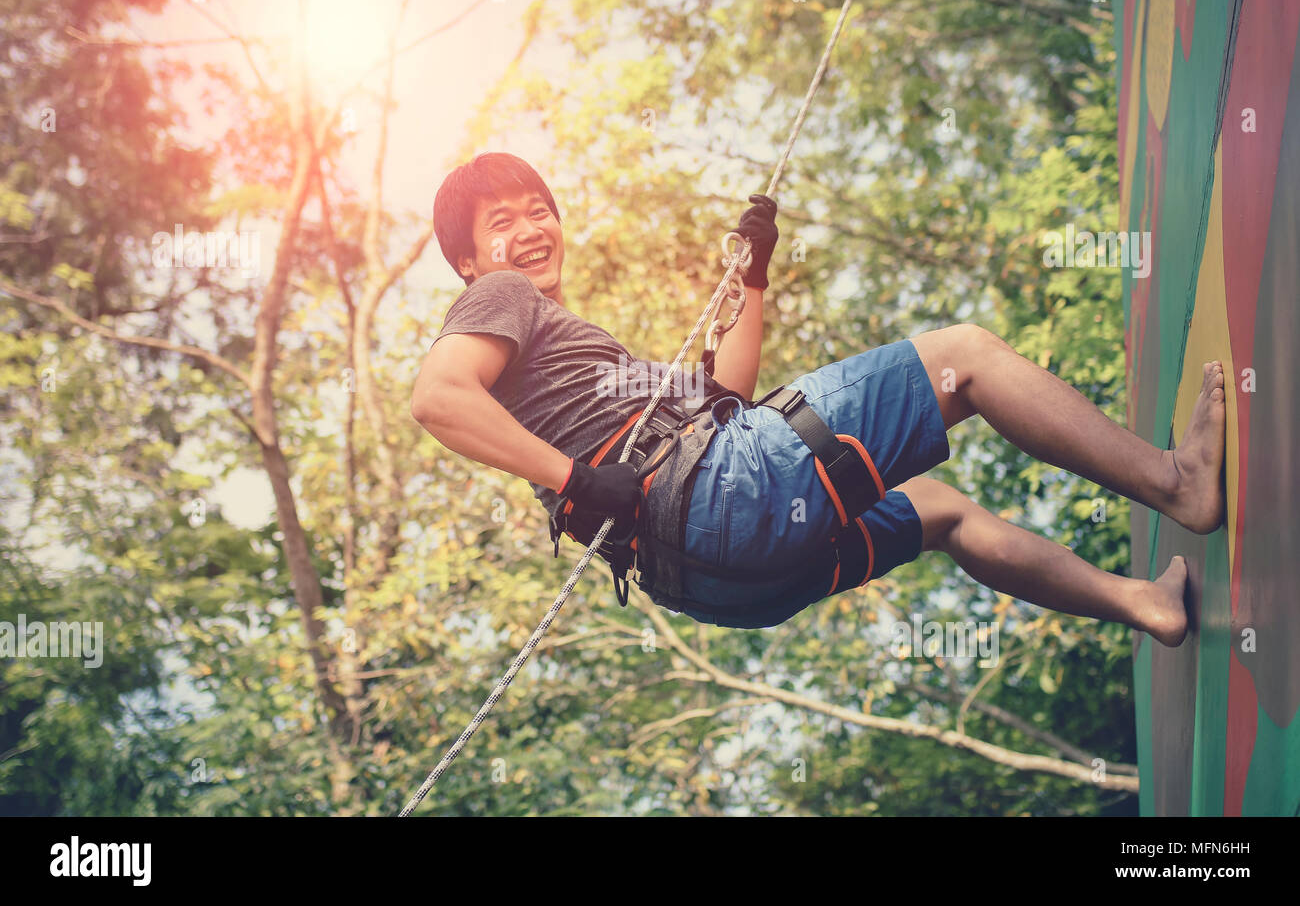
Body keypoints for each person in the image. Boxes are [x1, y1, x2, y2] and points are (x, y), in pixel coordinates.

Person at [411, 152, 1225, 647]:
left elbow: (728, 396)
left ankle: (1143, 604)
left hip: (721, 579)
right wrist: (577, 480)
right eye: (499, 222)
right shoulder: (504, 297)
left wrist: (753, 275)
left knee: (940, 511)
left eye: (538, 210)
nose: (528, 229)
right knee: (965, 358)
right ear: (469, 262)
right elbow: (437, 398)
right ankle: (1173, 483)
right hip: (712, 500)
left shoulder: (579, 366)